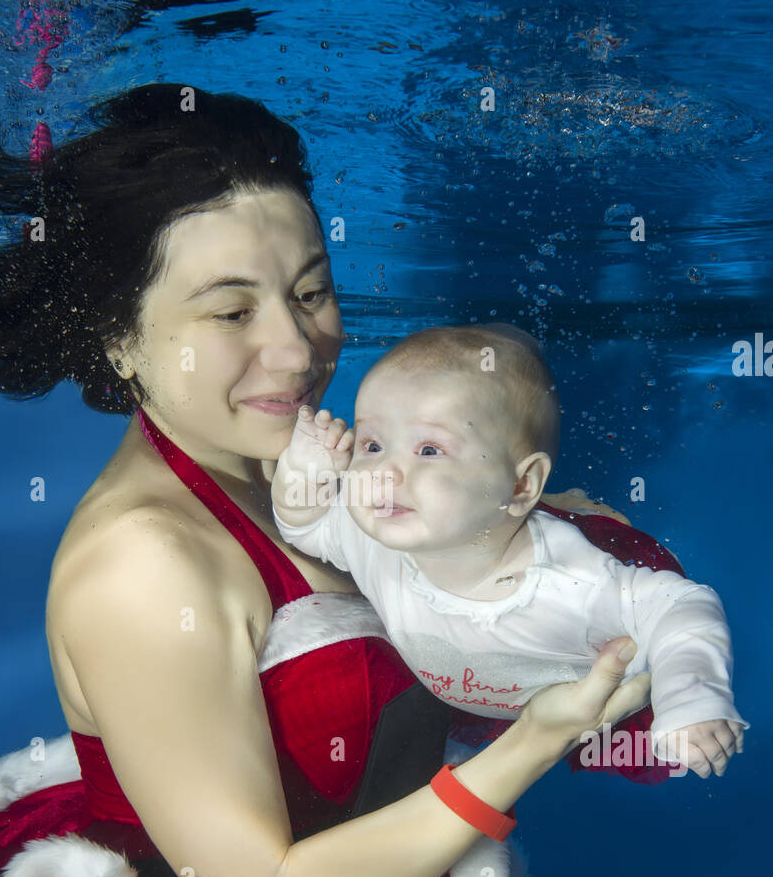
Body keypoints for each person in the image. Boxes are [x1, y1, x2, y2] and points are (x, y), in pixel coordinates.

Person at [0, 82, 771, 877]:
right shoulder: (143, 565)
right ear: (119, 336)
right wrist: (531, 746)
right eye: (231, 313)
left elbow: (441, 654)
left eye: (310, 292)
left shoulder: (300, 476)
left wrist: (528, 552)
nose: (296, 348)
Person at [271, 323, 748, 777]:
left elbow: (683, 603)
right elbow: (306, 526)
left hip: (595, 702)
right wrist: (303, 471)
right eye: (373, 445)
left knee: (658, 742)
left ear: (522, 485)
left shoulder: (572, 582)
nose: (384, 472)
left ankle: (579, 514)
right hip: (480, 693)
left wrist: (690, 695)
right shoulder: (375, 539)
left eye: (429, 450)